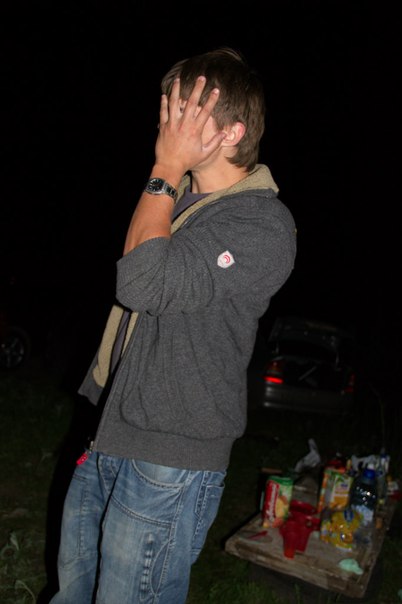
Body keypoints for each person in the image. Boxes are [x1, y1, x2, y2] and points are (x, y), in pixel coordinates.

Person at [49, 47, 297, 604]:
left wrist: (163, 170)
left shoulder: (262, 222)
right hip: (114, 431)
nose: (168, 124)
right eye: (169, 108)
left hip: (170, 456)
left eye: (185, 111)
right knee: (71, 593)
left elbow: (141, 284)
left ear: (232, 133)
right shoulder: (182, 202)